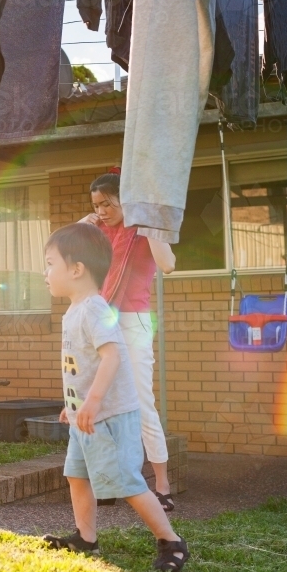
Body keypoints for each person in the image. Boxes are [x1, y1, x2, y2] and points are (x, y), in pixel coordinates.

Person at [42, 223, 188, 572]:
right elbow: (84, 366)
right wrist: (74, 402)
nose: (44, 273)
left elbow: (112, 356)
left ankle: (171, 541)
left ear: (76, 270)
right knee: (78, 476)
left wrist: (91, 402)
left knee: (127, 481)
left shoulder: (95, 309)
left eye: (50, 264)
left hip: (108, 418)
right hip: (86, 416)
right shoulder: (74, 310)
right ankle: (86, 539)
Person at [78, 169, 178, 511]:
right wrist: (84, 223)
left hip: (133, 322)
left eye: (107, 203)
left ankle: (162, 485)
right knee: (103, 403)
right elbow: (62, 255)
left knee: (141, 403)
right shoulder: (100, 231)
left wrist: (150, 224)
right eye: (96, 205)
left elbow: (168, 264)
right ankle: (110, 481)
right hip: (103, 321)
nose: (102, 210)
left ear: (126, 200)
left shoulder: (142, 227)